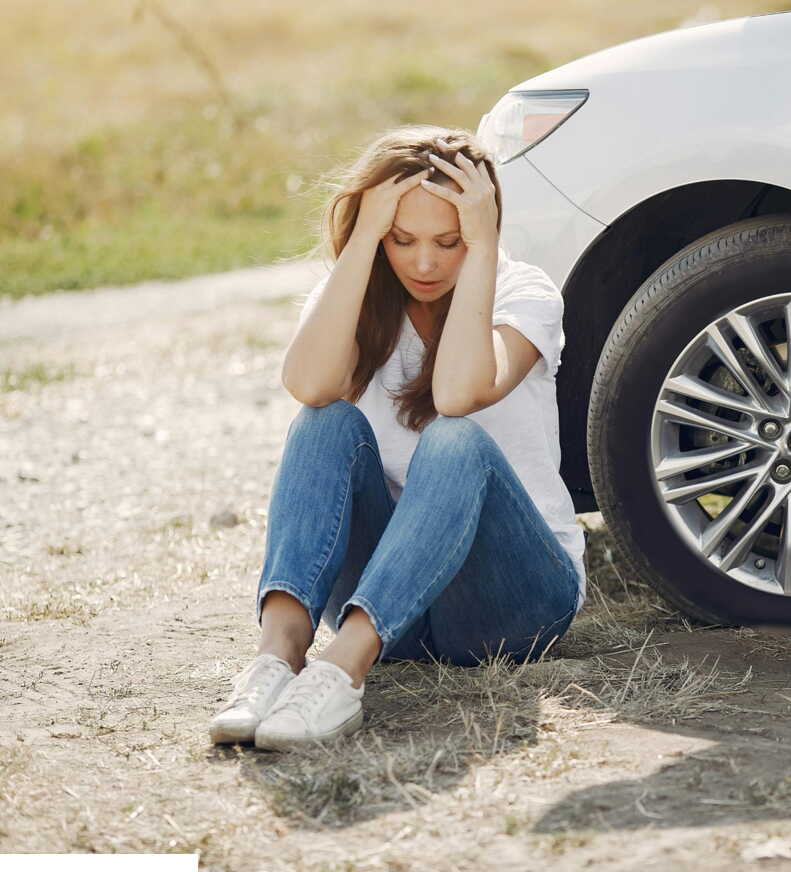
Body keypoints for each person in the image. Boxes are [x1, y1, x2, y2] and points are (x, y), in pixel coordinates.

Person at [208, 125, 587, 751]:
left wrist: (484, 250)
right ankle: (276, 661)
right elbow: (308, 383)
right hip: (394, 609)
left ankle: (341, 671)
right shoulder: (354, 295)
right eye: (402, 239)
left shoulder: (525, 293)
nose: (425, 263)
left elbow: (457, 395)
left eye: (449, 241)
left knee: (454, 438)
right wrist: (361, 239)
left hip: (513, 600)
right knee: (323, 418)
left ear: (481, 228)